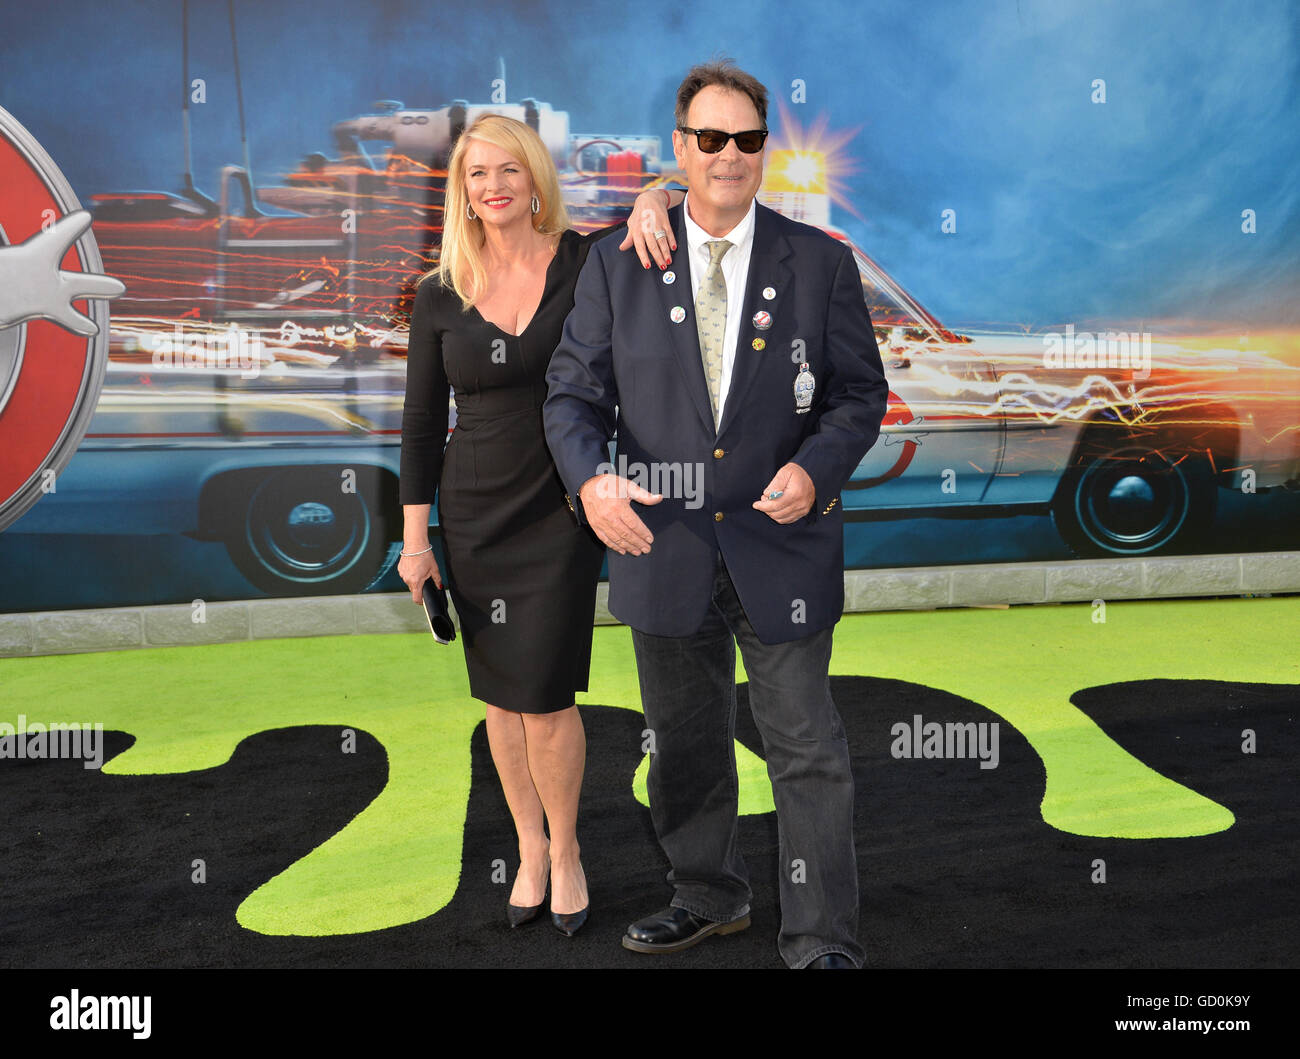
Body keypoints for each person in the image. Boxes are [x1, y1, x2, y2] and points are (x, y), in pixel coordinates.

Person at [543, 61, 888, 967]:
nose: (727, 156)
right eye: (708, 139)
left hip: (785, 546)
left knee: (807, 751)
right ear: (679, 148)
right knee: (686, 748)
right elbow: (570, 398)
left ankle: (821, 937)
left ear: (764, 148)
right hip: (662, 543)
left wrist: (816, 472)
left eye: (745, 139)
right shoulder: (618, 263)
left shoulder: (820, 263)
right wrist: (592, 483)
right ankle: (707, 896)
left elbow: (859, 395)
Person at [398, 114, 680, 936]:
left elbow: (671, 198)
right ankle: (527, 845)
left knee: (547, 696)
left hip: (564, 503)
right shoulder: (439, 292)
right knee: (501, 698)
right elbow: (419, 426)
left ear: (534, 179)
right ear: (462, 189)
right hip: (475, 510)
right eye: (477, 174)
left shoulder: (586, 260)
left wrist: (657, 196)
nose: (494, 186)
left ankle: (568, 851)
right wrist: (417, 543)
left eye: (508, 170)